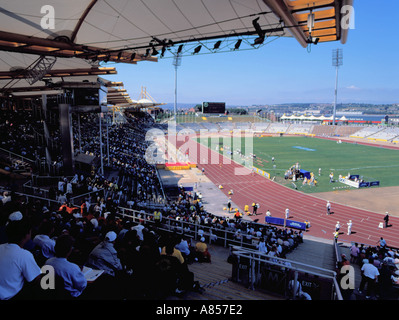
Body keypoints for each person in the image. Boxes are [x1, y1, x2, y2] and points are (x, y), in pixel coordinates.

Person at [0, 219, 42, 300]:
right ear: (26, 235)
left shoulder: (1, 246)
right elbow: (36, 279)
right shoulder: (25, 255)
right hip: (9, 297)